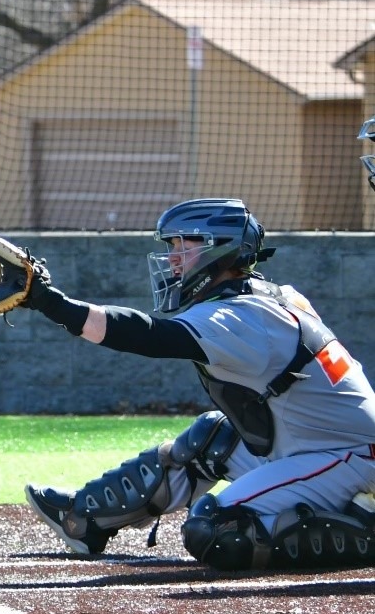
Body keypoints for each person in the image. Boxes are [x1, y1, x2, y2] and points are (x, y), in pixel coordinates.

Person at [20, 197, 375, 571]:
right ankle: (84, 519)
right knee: (211, 440)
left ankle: (367, 528)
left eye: (182, 244)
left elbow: (147, 336)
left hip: (348, 456)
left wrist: (51, 303)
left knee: (219, 531)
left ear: (219, 249)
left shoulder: (243, 316)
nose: (173, 257)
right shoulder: (267, 298)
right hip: (314, 442)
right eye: (171, 245)